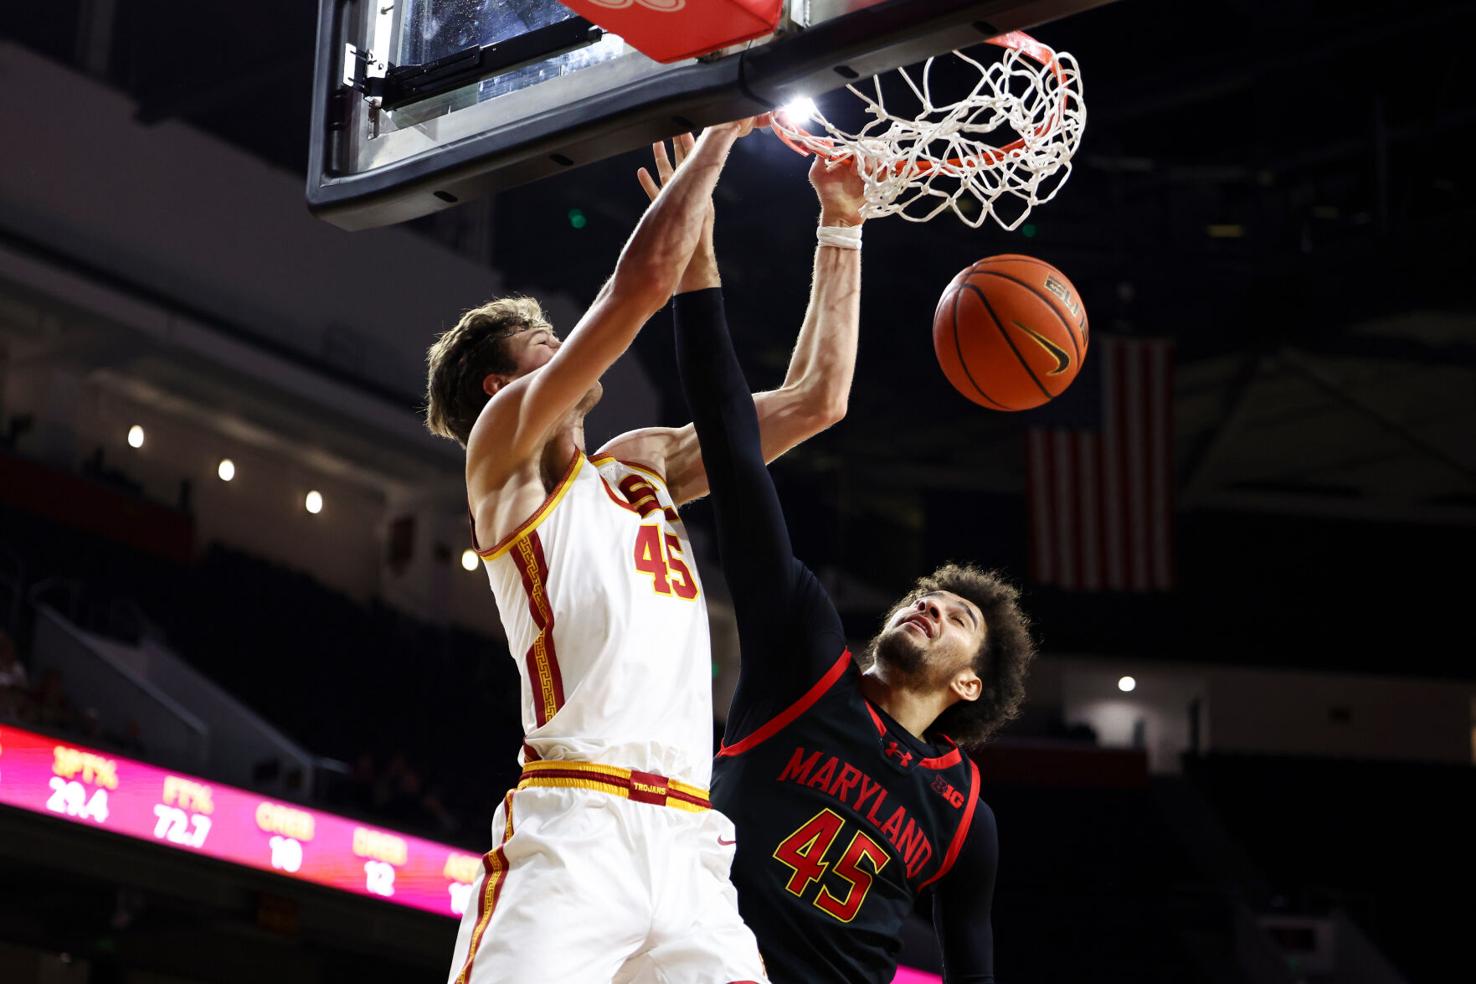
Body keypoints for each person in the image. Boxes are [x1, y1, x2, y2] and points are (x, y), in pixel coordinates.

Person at [424, 117, 865, 983]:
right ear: (499, 383)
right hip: (577, 827)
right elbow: (643, 285)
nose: (564, 344)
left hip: (689, 840)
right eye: (544, 341)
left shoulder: (640, 461)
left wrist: (840, 224)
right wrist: (717, 136)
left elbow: (819, 399)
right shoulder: (501, 452)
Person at [668, 191, 1036, 982]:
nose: (926, 603)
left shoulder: (966, 818)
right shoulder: (803, 657)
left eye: (957, 614)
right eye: (923, 596)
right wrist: (694, 247)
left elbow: (974, 967)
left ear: (971, 682)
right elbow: (733, 444)